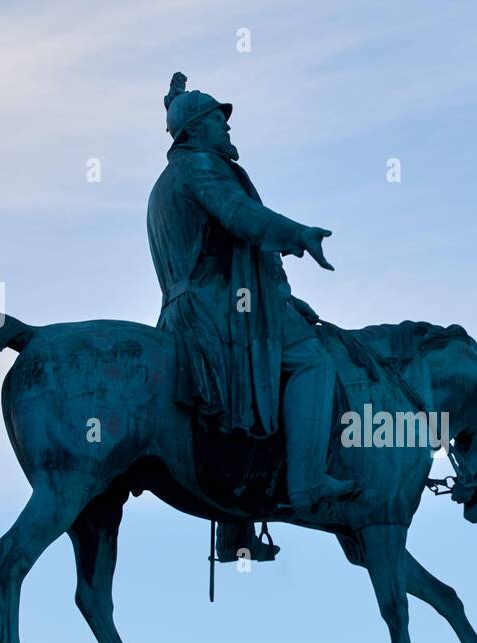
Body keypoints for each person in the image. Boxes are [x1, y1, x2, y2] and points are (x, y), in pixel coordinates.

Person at [147, 72, 357, 544]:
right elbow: (242, 218)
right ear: (196, 130)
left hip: (191, 307)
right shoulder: (201, 165)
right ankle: (307, 481)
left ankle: (235, 526)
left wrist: (284, 299)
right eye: (218, 122)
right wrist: (297, 234)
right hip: (218, 308)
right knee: (313, 362)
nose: (226, 130)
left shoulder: (168, 178)